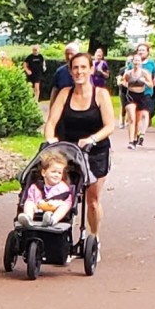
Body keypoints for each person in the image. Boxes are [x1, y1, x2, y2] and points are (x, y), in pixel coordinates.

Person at [44, 51, 115, 250]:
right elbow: (51, 122)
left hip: (95, 151)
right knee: (63, 193)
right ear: (70, 70)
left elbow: (110, 125)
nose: (79, 71)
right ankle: (61, 234)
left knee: (92, 199)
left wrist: (92, 139)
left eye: (83, 67)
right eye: (75, 67)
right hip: (68, 151)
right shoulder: (64, 93)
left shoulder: (100, 94)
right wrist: (50, 139)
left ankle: (94, 238)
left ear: (91, 69)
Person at [17, 150, 75, 228]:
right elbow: (31, 199)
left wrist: (55, 203)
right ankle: (28, 218)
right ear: (44, 173)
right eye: (53, 172)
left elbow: (68, 202)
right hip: (38, 208)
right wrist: (37, 203)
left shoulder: (63, 188)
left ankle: (52, 220)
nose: (56, 175)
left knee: (65, 206)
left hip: (56, 209)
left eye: (59, 173)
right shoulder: (35, 187)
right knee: (29, 203)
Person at [116, 55, 152, 149]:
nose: (136, 63)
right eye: (135, 61)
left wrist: (144, 81)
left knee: (137, 120)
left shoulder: (145, 73)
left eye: (138, 61)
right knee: (132, 118)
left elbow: (151, 85)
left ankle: (136, 138)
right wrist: (122, 82)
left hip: (141, 96)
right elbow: (123, 83)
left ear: (141, 63)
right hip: (130, 96)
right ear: (132, 62)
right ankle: (131, 141)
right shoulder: (128, 73)